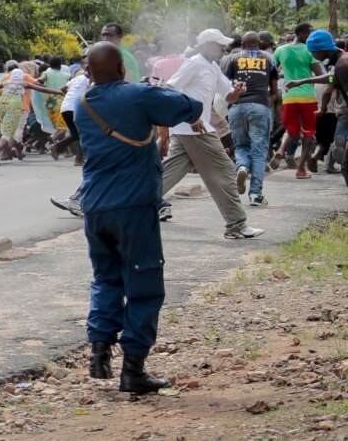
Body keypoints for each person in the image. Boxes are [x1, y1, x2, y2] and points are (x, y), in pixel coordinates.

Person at [75, 42, 203, 394]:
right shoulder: (137, 94)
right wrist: (162, 89)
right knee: (144, 285)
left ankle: (100, 350)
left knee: (106, 278)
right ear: (121, 69)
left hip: (96, 207)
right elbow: (189, 109)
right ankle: (133, 369)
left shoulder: (83, 104)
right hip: (133, 206)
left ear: (89, 73)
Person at [161, 29, 264, 240]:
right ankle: (236, 225)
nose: (223, 49)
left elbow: (229, 96)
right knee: (225, 170)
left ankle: (127, 206)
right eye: (219, 45)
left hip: (187, 128)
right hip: (194, 127)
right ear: (207, 45)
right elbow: (168, 88)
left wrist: (237, 91)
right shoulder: (194, 63)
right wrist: (190, 115)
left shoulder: (213, 67)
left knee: (168, 173)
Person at [286, 30, 348, 187]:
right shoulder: (341, 61)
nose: (312, 55)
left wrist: (323, 107)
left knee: (346, 166)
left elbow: (331, 83)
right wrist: (302, 81)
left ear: (321, 49)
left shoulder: (341, 65)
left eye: (313, 51)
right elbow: (331, 78)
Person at [223, 32, 278, 207]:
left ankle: (241, 167)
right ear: (260, 43)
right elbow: (274, 90)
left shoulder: (232, 59)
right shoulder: (269, 59)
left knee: (241, 146)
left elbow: (225, 85)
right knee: (259, 150)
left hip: (237, 107)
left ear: (242, 44)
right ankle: (256, 194)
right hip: (260, 106)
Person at [272, 23, 323, 177]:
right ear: (302, 34)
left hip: (289, 96)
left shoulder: (280, 50)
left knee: (291, 130)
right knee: (308, 132)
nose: (312, 37)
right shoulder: (310, 51)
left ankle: (281, 150)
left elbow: (273, 72)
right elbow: (319, 75)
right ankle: (301, 170)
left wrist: (284, 76)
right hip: (307, 96)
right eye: (310, 33)